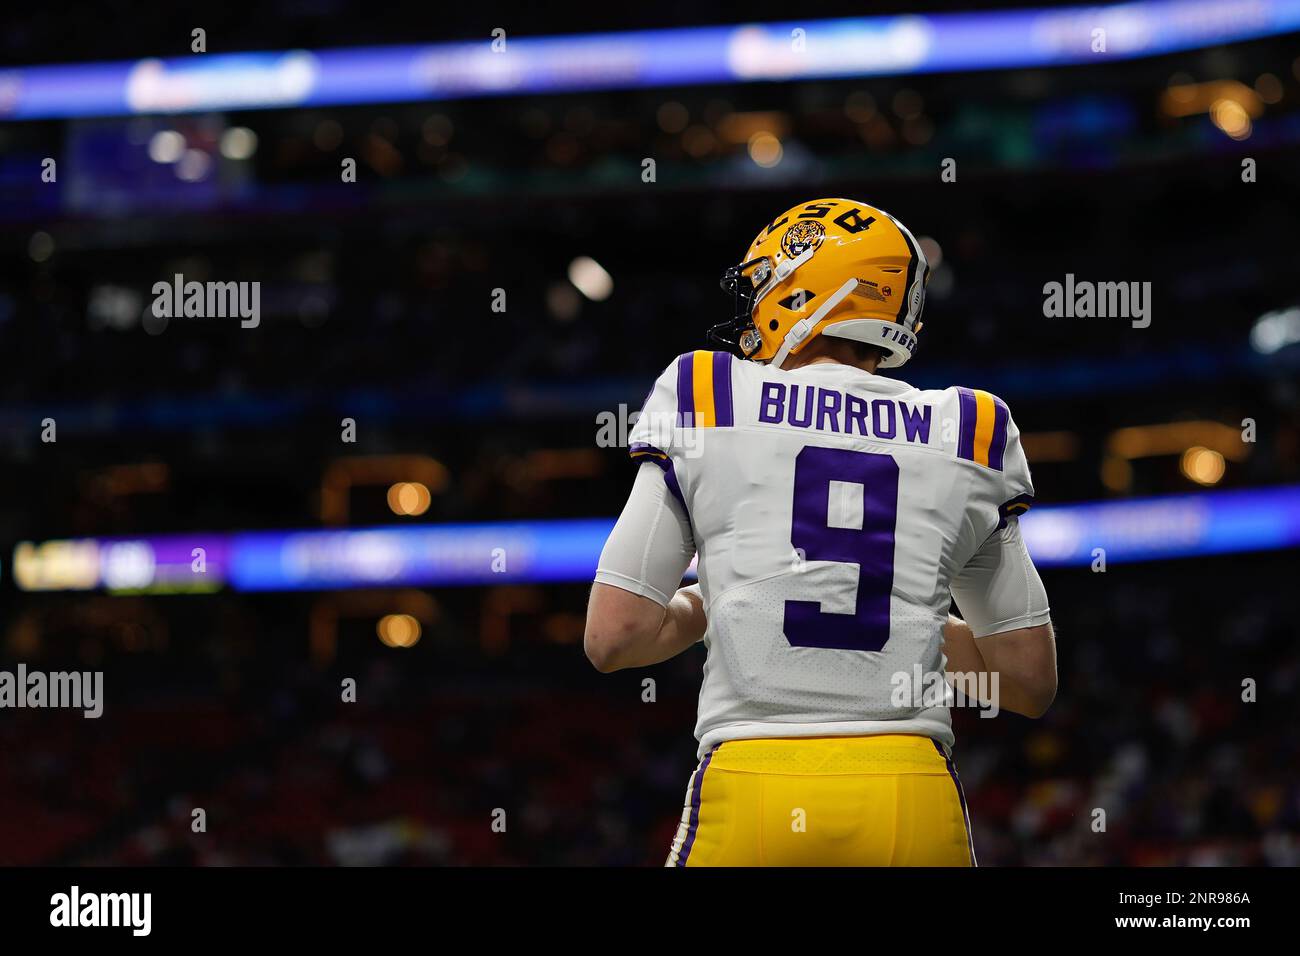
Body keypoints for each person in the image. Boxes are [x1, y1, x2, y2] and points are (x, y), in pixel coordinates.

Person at [584, 198, 1056, 866]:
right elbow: (1028, 680)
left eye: (766, 281)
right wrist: (904, 624)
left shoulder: (708, 390)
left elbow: (614, 637)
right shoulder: (970, 426)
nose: (756, 304)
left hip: (754, 787)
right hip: (908, 795)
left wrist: (715, 603)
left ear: (810, 283)